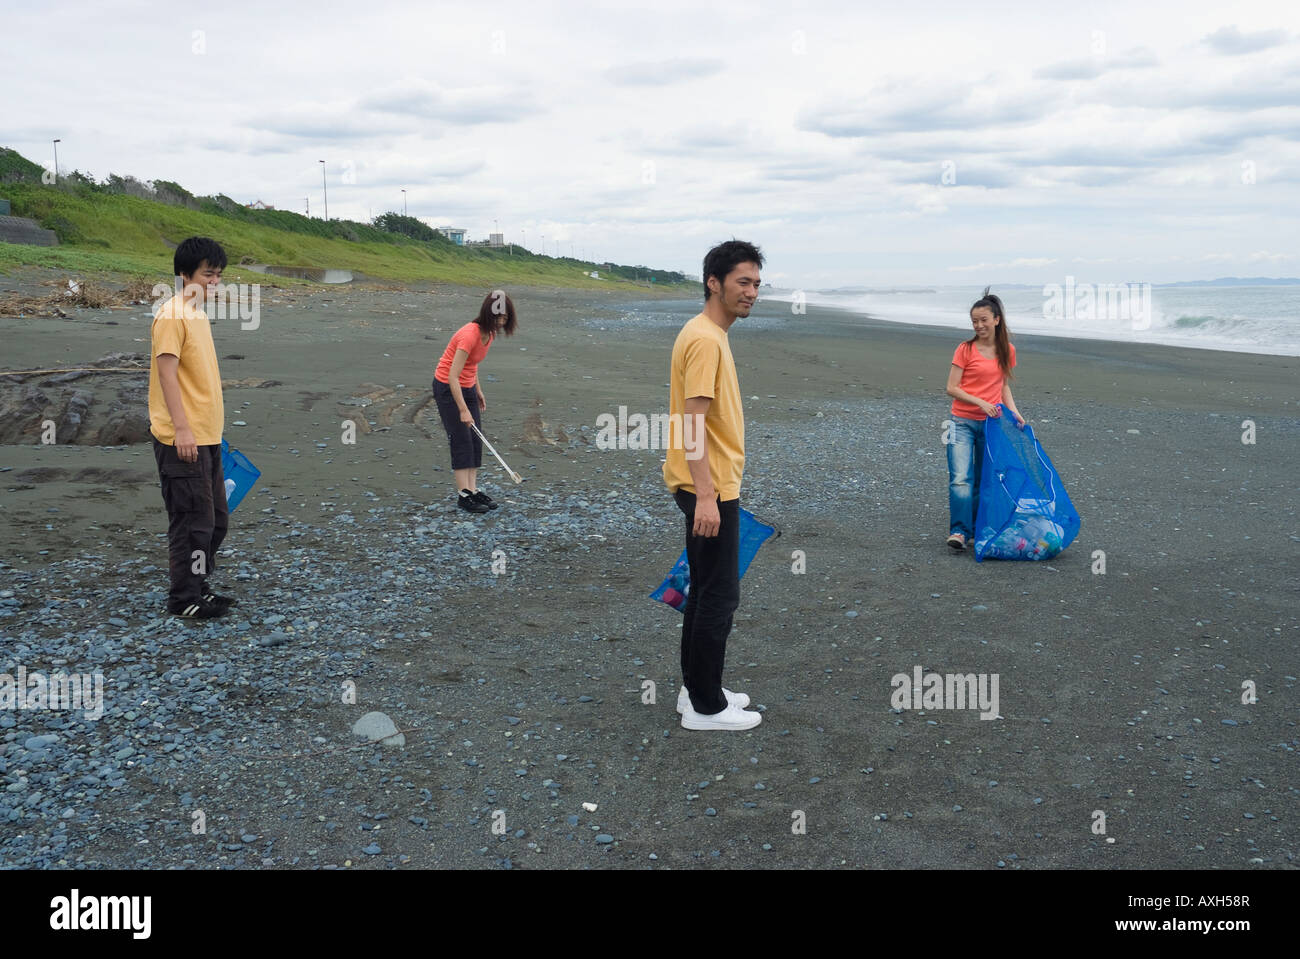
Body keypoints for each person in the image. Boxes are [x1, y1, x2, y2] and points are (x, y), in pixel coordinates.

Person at [663, 240, 765, 731]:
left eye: (757, 284)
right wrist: (707, 495)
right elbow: (691, 423)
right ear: (714, 283)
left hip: (706, 485)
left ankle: (696, 689)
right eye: (743, 282)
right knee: (719, 596)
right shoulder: (705, 339)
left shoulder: (707, 334)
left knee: (704, 591)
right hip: (709, 488)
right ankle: (706, 708)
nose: (752, 292)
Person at [148, 236, 234, 618]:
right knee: (192, 523)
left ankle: (199, 585)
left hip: (207, 435)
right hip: (181, 438)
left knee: (215, 521)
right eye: (207, 274)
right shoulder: (171, 315)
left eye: (218, 275)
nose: (213, 282)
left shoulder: (197, 313)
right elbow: (166, 374)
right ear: (185, 275)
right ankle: (183, 599)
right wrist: (182, 430)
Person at [944, 287, 1026, 552]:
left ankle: (974, 529)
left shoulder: (1007, 350)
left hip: (991, 425)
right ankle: (958, 531)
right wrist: (982, 403)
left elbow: (1002, 387)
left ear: (996, 320)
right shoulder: (965, 349)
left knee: (983, 480)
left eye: (983, 320)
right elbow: (952, 388)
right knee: (960, 478)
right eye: (974, 322)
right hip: (961, 423)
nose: (979, 326)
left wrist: (1014, 411)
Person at [432, 290, 518, 512]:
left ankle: (473, 490)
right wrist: (462, 409)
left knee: (475, 439)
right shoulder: (469, 334)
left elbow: (473, 364)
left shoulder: (489, 334)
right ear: (487, 314)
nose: (501, 322)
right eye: (498, 317)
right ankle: (464, 495)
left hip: (467, 386)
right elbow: (452, 375)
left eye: (505, 318)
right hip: (448, 388)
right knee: (461, 438)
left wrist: (478, 390)